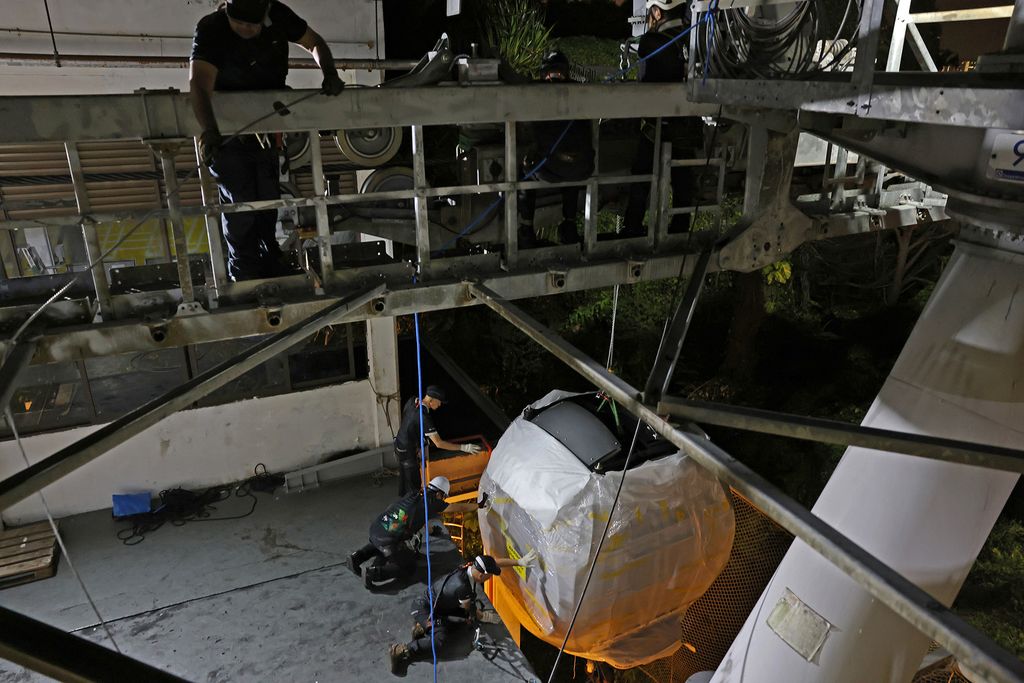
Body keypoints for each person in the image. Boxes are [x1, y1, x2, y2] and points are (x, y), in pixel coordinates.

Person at [189, 0, 345, 281]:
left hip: (267, 131)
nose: (248, 30)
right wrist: (210, 130)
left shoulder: (278, 15)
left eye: (254, 25)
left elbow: (314, 43)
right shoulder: (211, 29)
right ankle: (245, 270)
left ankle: (270, 256)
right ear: (227, 12)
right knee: (241, 204)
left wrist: (330, 72)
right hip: (228, 135)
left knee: (268, 198)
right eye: (241, 24)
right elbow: (199, 84)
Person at [622, 0, 704, 238]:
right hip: (687, 124)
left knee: (642, 177)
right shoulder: (694, 37)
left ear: (657, 12)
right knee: (682, 181)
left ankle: (633, 225)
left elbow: (645, 87)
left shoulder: (651, 42)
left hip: (656, 126)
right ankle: (680, 228)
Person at [387, 552, 538, 675]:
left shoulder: (471, 567)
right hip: (425, 608)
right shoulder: (462, 587)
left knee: (461, 624)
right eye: (490, 575)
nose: (491, 577)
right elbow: (469, 609)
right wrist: (484, 616)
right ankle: (404, 651)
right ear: (481, 575)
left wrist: (519, 561)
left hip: (441, 604)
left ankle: (423, 628)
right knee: (442, 640)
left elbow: (494, 562)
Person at [346, 477, 488, 589]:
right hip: (389, 540)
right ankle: (373, 574)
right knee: (408, 567)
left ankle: (356, 557)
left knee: (377, 544)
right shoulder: (433, 501)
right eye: (443, 497)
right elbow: (458, 506)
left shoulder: (414, 493)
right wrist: (478, 505)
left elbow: (420, 517)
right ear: (439, 493)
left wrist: (431, 531)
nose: (442, 500)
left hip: (377, 528)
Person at [517, 52, 595, 248]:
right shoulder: (582, 92)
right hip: (582, 169)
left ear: (544, 73)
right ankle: (569, 226)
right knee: (572, 169)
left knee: (525, 170)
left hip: (549, 170)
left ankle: (526, 228)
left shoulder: (535, 92)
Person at [392, 385, 482, 497]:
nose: (439, 405)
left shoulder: (412, 401)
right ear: (431, 400)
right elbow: (439, 443)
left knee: (404, 481)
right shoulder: (424, 417)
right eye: (439, 402)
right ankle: (410, 511)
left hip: (399, 445)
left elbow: (408, 419)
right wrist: (464, 447)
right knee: (413, 487)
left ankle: (402, 500)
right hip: (408, 453)